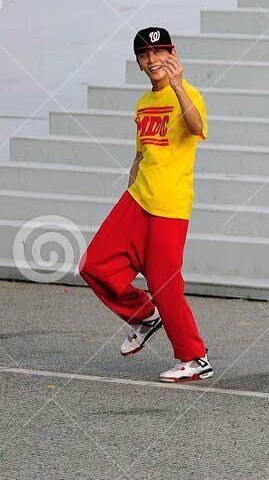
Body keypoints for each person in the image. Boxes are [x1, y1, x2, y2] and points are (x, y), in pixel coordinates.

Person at [78, 28, 212, 383]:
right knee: (94, 264)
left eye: (159, 52)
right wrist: (129, 185)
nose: (153, 60)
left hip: (170, 203)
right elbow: (141, 152)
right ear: (139, 63)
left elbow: (196, 126)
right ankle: (143, 316)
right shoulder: (142, 104)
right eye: (145, 55)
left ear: (172, 54)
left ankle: (194, 358)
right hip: (138, 197)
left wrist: (179, 87)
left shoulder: (190, 95)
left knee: (164, 282)